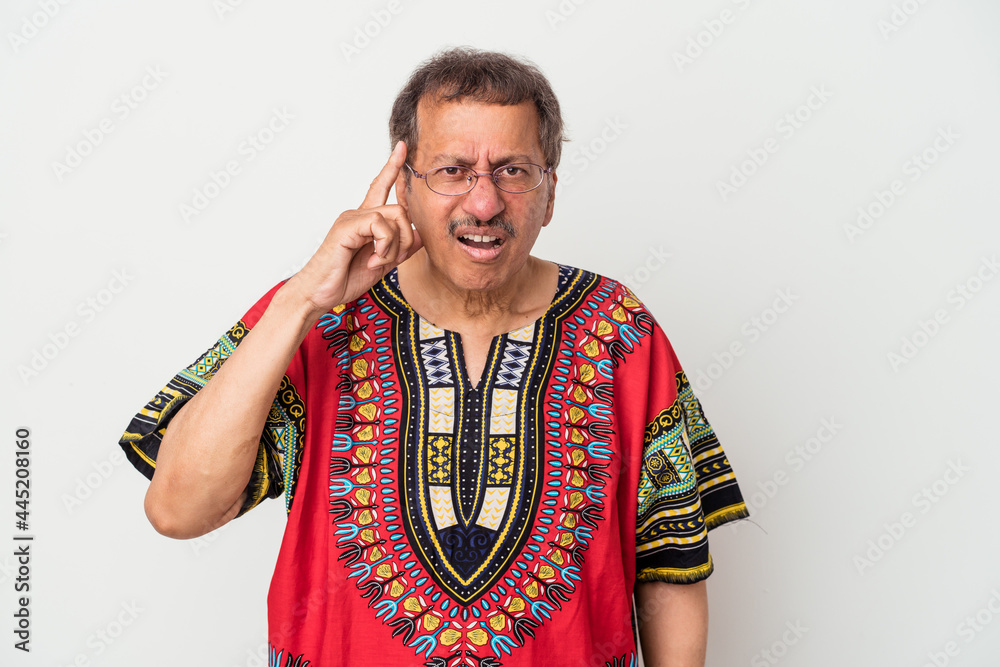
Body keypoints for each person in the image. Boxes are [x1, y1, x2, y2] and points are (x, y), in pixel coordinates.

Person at [119, 47, 748, 667]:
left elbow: (672, 564)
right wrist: (303, 299)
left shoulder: (619, 331)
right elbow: (178, 511)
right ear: (404, 188)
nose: (484, 203)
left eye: (513, 171)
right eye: (452, 170)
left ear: (550, 193)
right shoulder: (316, 315)